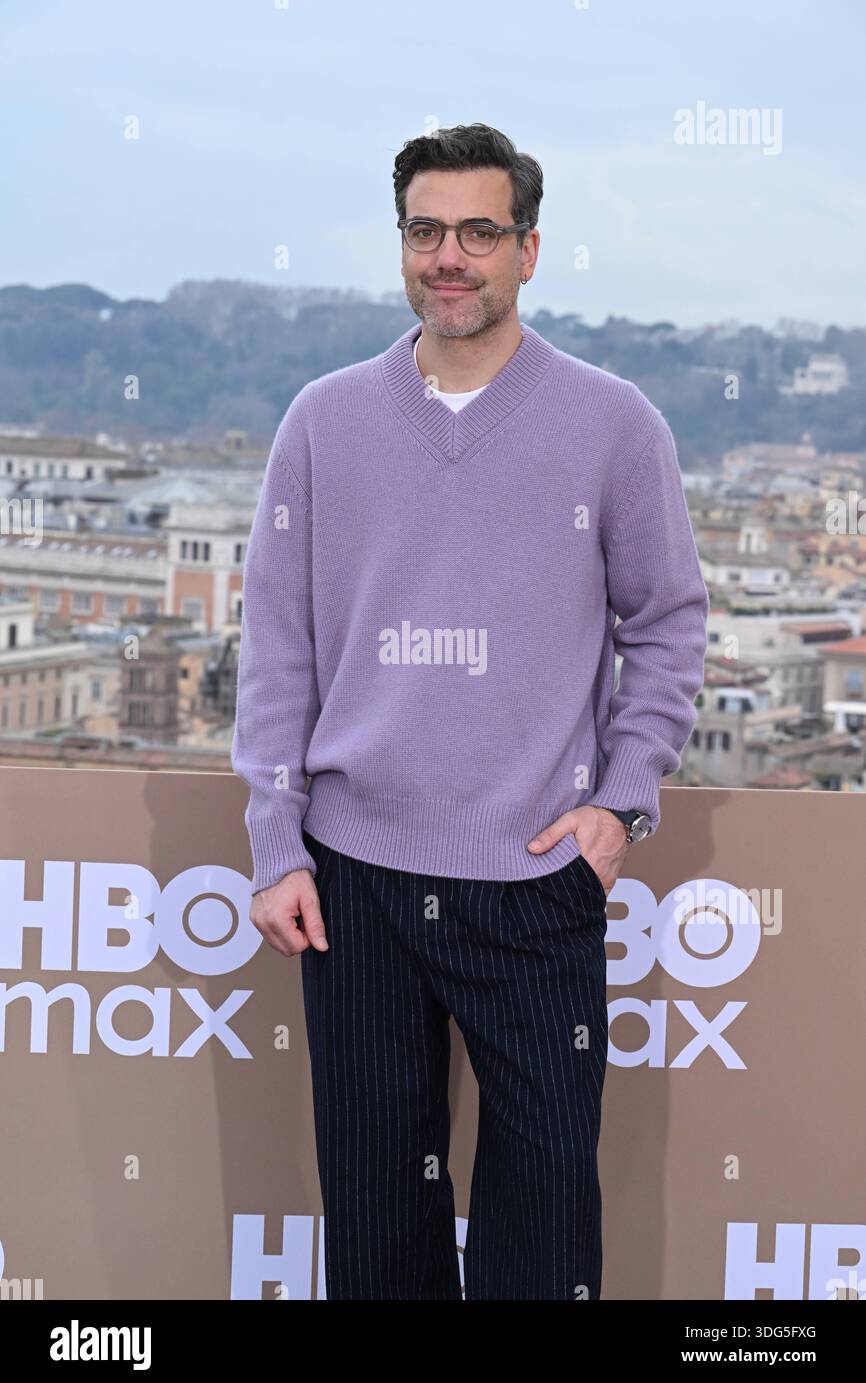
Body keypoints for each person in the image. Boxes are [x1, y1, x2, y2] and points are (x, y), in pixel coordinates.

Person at [231, 122, 709, 1300]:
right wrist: (273, 838)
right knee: (379, 1218)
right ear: (402, 245)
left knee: (543, 1226)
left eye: (478, 233)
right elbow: (278, 647)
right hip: (349, 877)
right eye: (425, 231)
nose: (450, 257)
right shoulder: (321, 420)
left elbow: (667, 624)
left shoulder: (612, 424)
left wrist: (620, 803)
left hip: (537, 872)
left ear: (528, 251)